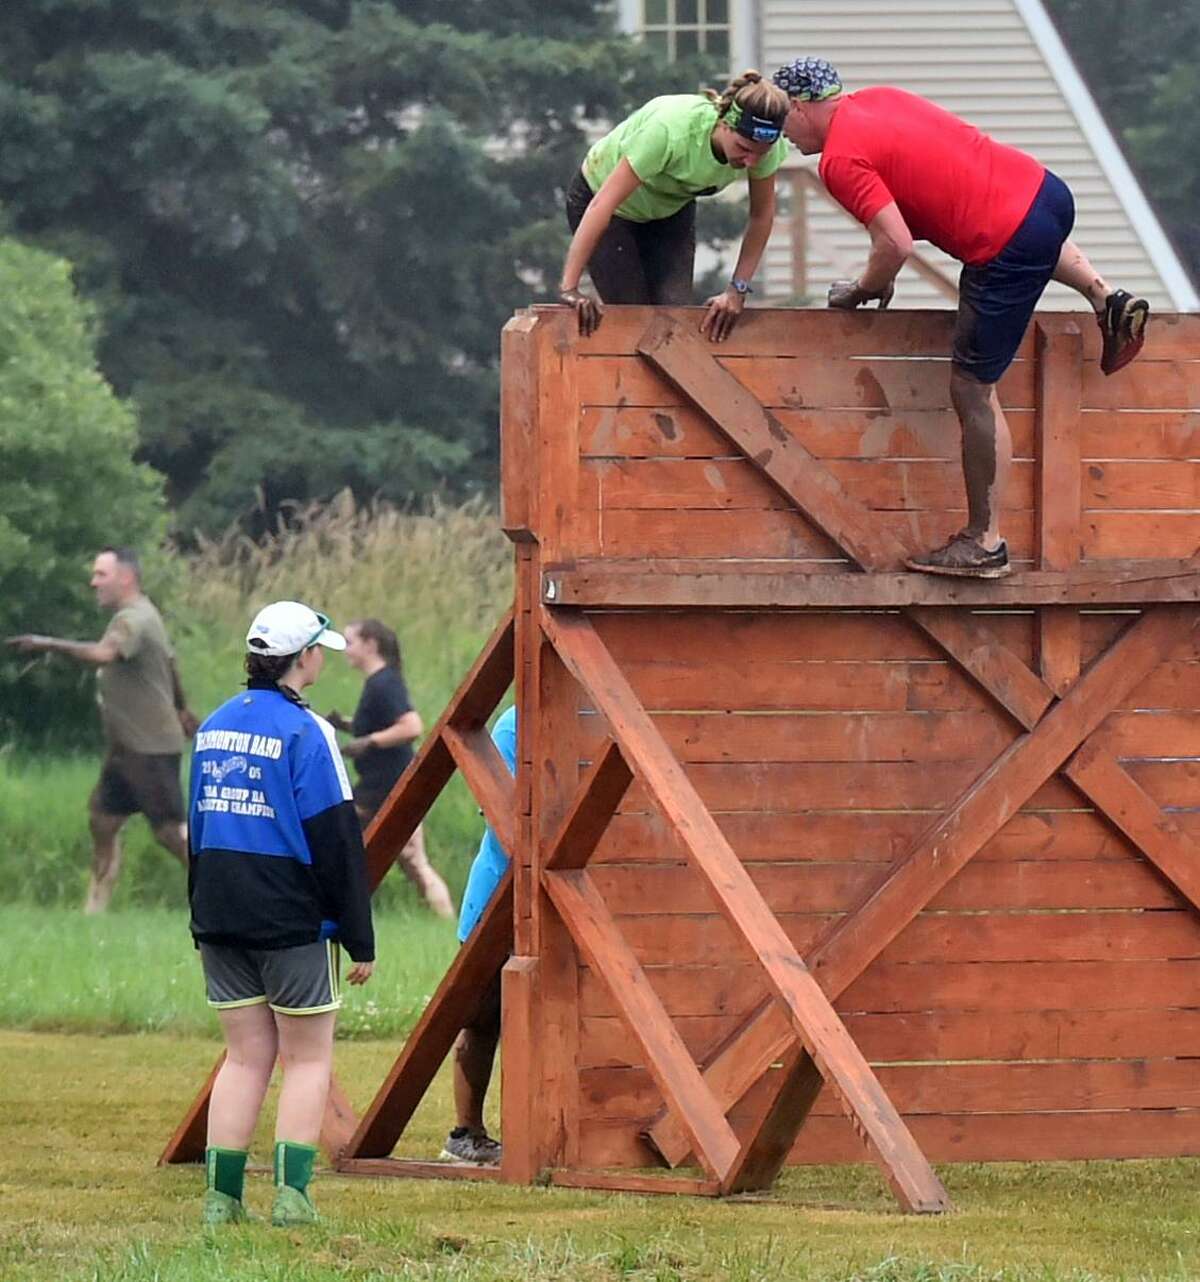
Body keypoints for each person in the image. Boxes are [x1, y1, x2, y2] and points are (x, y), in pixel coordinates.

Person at [772, 57, 1151, 579]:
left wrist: (862, 289)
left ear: (800, 106)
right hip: (1046, 193)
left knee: (972, 389)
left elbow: (895, 243)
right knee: (1029, 230)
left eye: (782, 120)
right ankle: (1105, 297)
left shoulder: (839, 159)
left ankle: (984, 541)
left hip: (1001, 245)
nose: (782, 134)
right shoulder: (878, 98)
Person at [188, 600, 375, 1227]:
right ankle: (293, 1198)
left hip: (218, 911)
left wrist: (200, 915)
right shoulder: (308, 731)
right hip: (289, 916)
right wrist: (358, 935)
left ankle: (221, 1200)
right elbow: (336, 839)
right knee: (308, 1057)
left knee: (244, 1058)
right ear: (303, 658)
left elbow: (198, 828)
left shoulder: (212, 726)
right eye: (319, 649)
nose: (322, 657)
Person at [6, 547, 198, 912]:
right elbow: (170, 663)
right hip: (125, 749)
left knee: (171, 833)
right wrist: (182, 707)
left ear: (125, 578)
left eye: (101, 575)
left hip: (150, 747)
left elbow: (103, 655)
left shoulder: (134, 619)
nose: (93, 582)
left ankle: (226, 893)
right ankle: (95, 911)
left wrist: (47, 644)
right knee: (103, 820)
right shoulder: (141, 613)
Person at [559, 70, 790, 341]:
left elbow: (761, 216)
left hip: (669, 210)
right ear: (725, 123)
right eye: (743, 148)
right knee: (636, 321)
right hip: (605, 201)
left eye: (759, 154)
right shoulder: (671, 132)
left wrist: (736, 290)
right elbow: (602, 204)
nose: (751, 161)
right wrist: (569, 287)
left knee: (675, 321)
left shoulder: (765, 149)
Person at [328, 617, 454, 919]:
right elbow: (383, 723)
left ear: (370, 645)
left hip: (386, 786)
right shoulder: (379, 682)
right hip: (387, 784)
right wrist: (347, 725)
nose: (346, 650)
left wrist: (369, 741)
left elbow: (411, 726)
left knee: (342, 838)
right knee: (412, 861)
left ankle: (337, 909)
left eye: (350, 642)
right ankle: (445, 920)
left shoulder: (384, 683)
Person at [440, 704, 517, 1166]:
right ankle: (466, 1132)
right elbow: (500, 814)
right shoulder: (512, 726)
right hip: (497, 893)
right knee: (482, 1018)